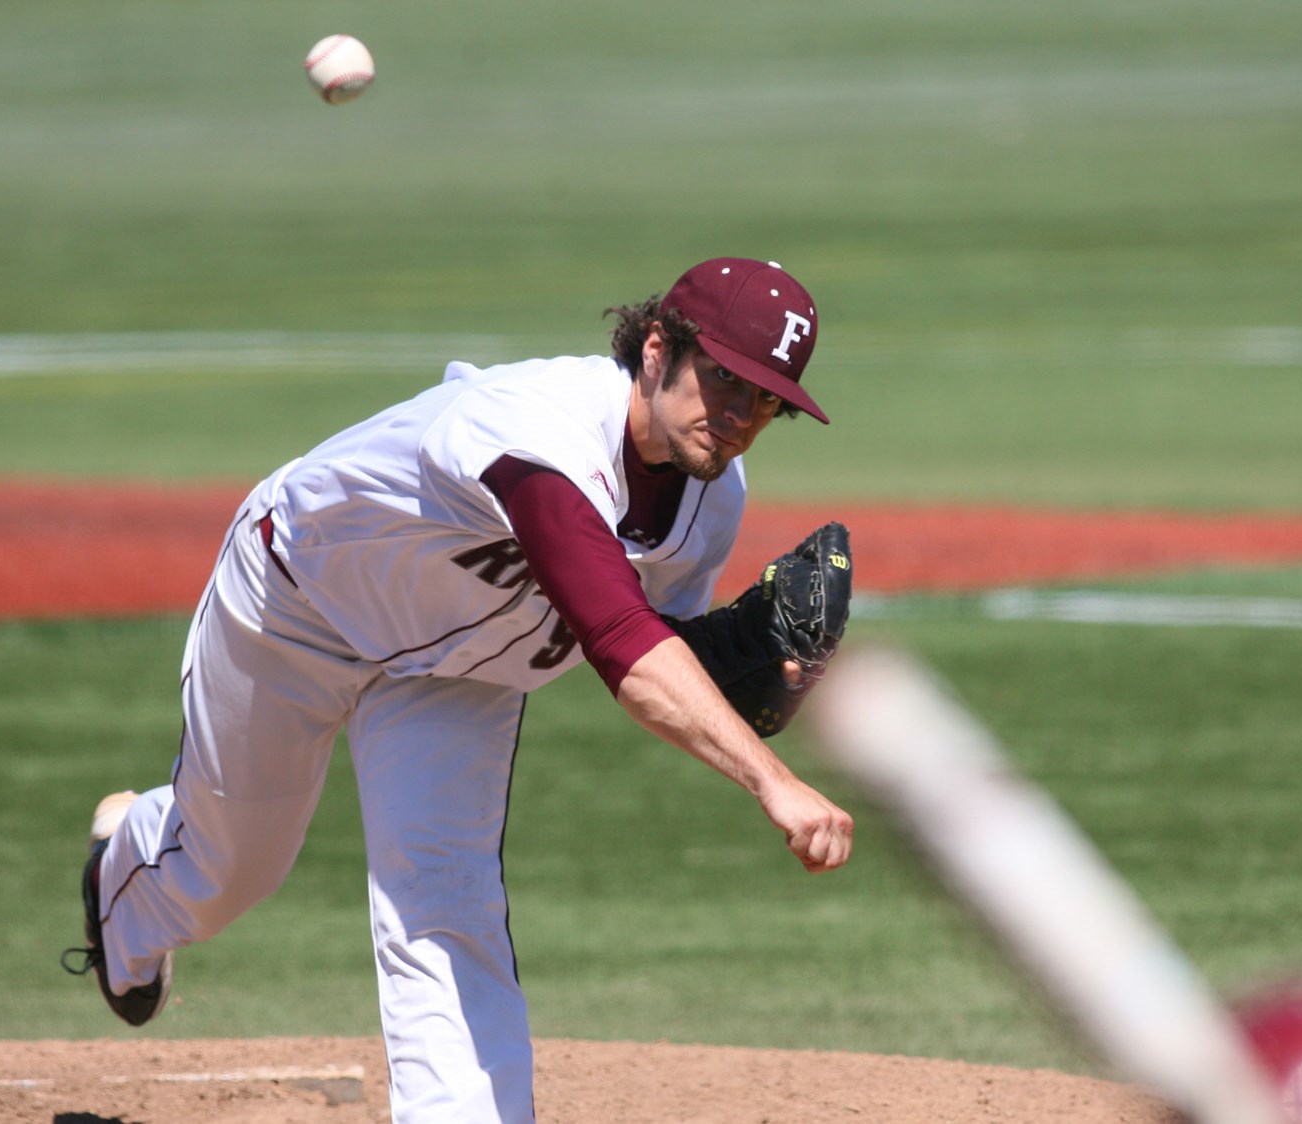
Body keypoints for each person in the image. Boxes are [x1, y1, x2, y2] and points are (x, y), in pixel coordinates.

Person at [60, 257, 856, 1123]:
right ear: (658, 350)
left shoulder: (712, 501)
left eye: (767, 399)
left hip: (457, 676)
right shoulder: (535, 429)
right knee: (227, 873)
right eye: (725, 379)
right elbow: (625, 645)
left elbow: (662, 646)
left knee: (446, 903)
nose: (740, 416)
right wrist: (771, 780)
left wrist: (750, 671)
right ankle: (124, 879)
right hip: (297, 605)